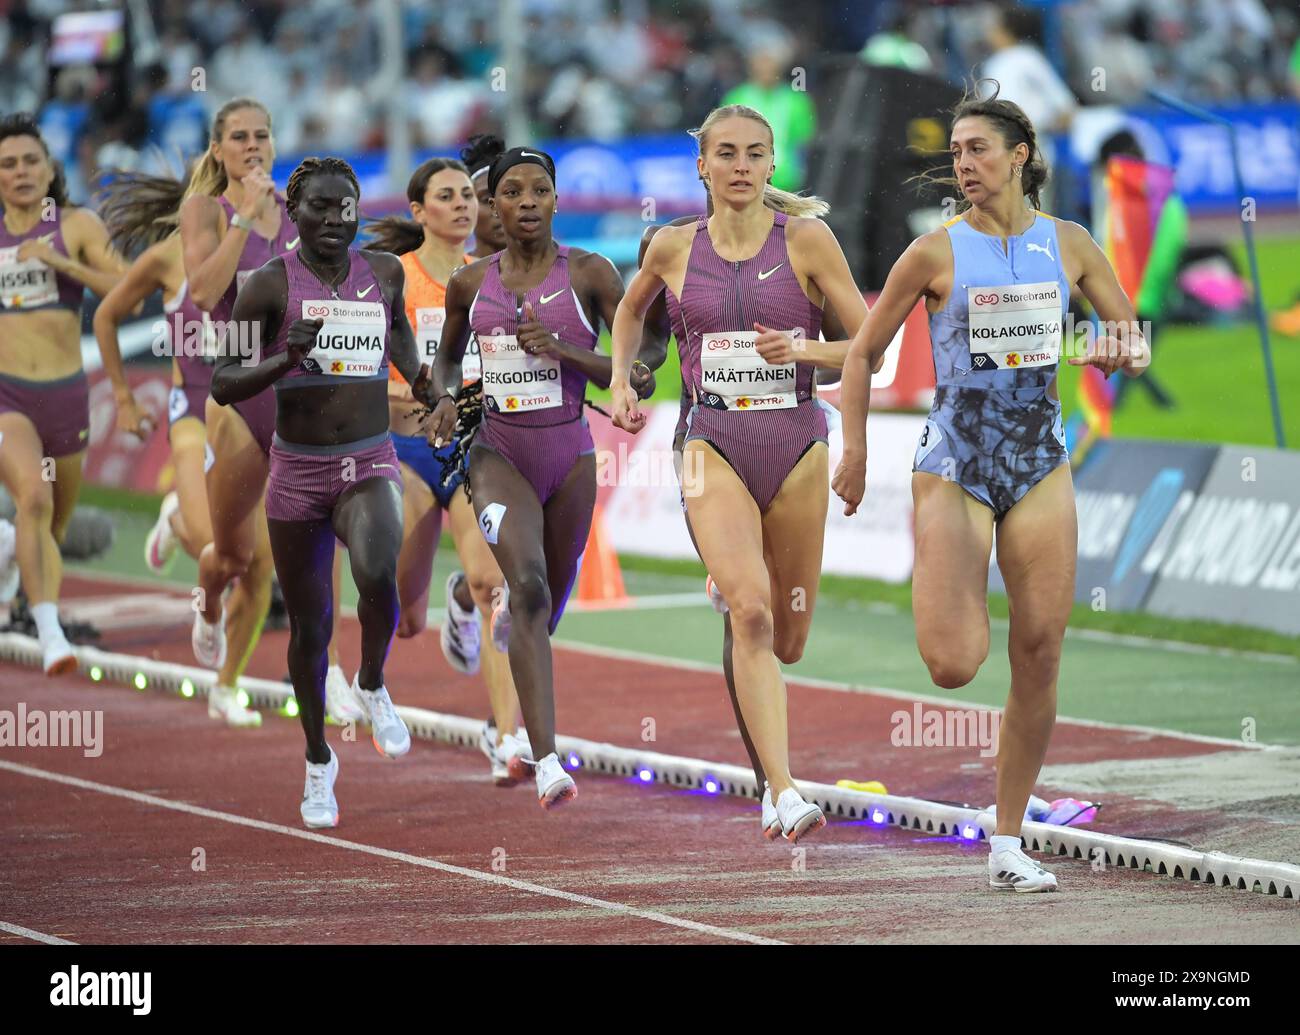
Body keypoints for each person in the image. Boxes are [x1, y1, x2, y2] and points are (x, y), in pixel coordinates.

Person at [832, 86, 1149, 891]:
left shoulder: (1068, 243)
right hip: (957, 464)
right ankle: (945, 594)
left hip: (1040, 459)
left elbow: (1129, 336)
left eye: (977, 149)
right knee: (953, 664)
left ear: (1020, 157)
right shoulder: (934, 252)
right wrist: (858, 450)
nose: (963, 164)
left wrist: (1118, 350)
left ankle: (1007, 840)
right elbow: (863, 353)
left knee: (1040, 650)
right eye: (956, 152)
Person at [609, 104, 868, 842]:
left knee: (787, 638)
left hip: (796, 444)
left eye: (756, 153)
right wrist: (625, 382)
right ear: (702, 166)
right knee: (750, 611)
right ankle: (781, 789)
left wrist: (805, 353)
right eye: (726, 153)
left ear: (773, 164)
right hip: (708, 441)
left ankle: (737, 575)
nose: (742, 166)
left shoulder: (809, 241)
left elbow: (865, 346)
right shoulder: (669, 246)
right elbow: (630, 315)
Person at [426, 145, 658, 809]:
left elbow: (636, 364)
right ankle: (546, 756)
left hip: (570, 457)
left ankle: (481, 608)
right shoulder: (471, 285)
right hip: (497, 453)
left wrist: (562, 351)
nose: (527, 203)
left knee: (547, 603)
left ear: (556, 199)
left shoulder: (589, 273)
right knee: (524, 587)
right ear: (493, 205)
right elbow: (445, 361)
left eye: (540, 191)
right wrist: (442, 397)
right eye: (513, 192)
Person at [214, 155, 434, 828]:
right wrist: (286, 354)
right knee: (309, 629)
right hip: (299, 470)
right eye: (320, 208)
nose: (335, 220)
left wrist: (436, 393)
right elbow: (224, 380)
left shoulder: (385, 274)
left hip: (367, 459)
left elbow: (403, 349)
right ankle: (318, 760)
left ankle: (371, 680)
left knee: (377, 577)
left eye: (347, 207)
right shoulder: (266, 286)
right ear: (295, 212)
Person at [364, 155, 530, 785]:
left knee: (497, 587)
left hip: (470, 452)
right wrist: (405, 397)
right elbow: (352, 368)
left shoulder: (492, 278)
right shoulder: (390, 278)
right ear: (418, 211)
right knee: (402, 612)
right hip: (403, 451)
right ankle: (404, 643)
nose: (464, 205)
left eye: (469, 195)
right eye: (448, 196)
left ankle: (504, 734)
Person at [178, 96, 296, 726]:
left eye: (263, 134)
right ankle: (207, 600)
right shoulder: (204, 209)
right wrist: (246, 219)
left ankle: (231, 685)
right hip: (239, 391)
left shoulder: (299, 210)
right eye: (240, 137)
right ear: (219, 149)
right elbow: (201, 291)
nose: (253, 145)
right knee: (234, 557)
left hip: (299, 398)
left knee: (278, 562)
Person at [0, 113, 127, 674]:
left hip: (66, 399)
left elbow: (127, 286)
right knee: (33, 496)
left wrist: (60, 263)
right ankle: (52, 634)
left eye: (31, 160)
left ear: (50, 169)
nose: (21, 171)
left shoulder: (74, 224)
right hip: (8, 397)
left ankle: (23, 591)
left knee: (51, 524)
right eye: (8, 163)